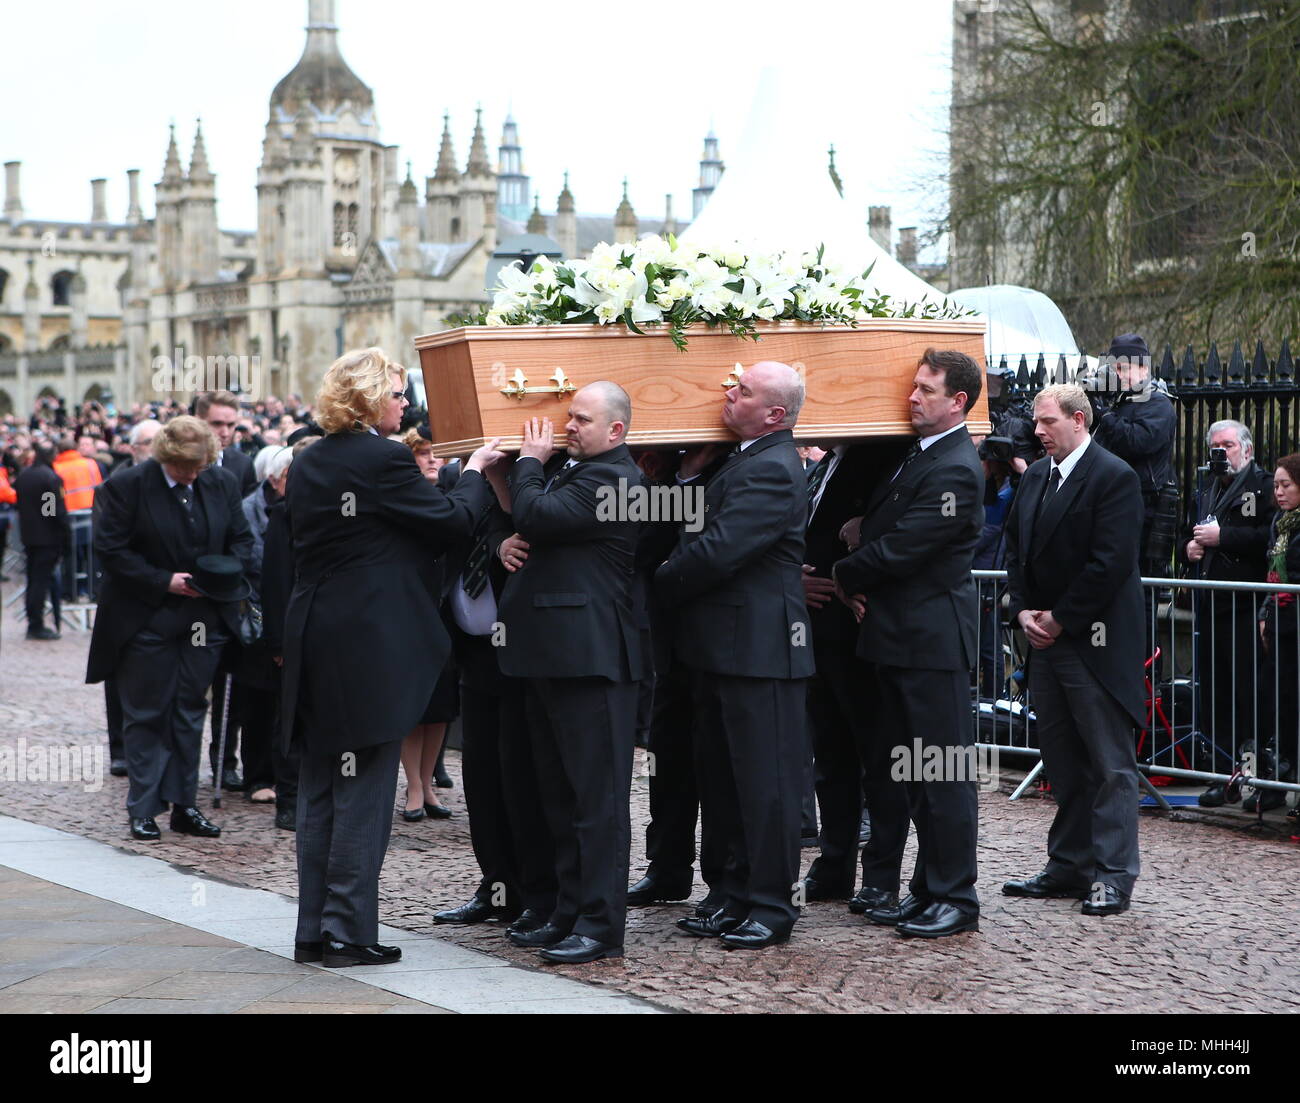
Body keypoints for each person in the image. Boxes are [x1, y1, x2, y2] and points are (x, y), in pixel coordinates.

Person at [280, 348, 499, 969]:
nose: (405, 405)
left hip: (317, 633)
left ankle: (315, 931)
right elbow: (453, 521)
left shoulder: (312, 458)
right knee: (364, 791)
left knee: (323, 787)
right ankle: (350, 932)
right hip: (367, 643)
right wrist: (475, 469)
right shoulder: (381, 457)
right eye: (398, 395)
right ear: (372, 398)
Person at [656, 360, 813, 950]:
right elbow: (700, 524)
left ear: (775, 414)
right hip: (724, 648)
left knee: (763, 785)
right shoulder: (742, 460)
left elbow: (719, 550)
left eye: (742, 390)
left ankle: (772, 905)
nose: (728, 393)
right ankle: (730, 888)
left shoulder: (772, 467)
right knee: (723, 781)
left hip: (761, 650)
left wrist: (660, 577)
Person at [832, 349, 985, 940]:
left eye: (926, 389)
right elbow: (884, 526)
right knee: (912, 773)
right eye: (914, 387)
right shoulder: (917, 457)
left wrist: (846, 573)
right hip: (897, 639)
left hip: (931, 642)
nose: (913, 397)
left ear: (959, 402)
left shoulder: (953, 467)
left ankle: (956, 897)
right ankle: (928, 890)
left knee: (942, 775)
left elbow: (904, 548)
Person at [494, 382, 648, 965]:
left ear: (616, 431)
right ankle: (567, 910)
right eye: (569, 417)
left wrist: (529, 463)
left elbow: (536, 514)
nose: (568, 427)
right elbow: (527, 518)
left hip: (592, 661)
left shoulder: (617, 479)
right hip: (554, 657)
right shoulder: (579, 471)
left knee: (597, 801)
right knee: (559, 796)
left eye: (582, 419)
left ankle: (601, 926)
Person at [1002, 383, 1146, 916]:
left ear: (1079, 419)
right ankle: (1068, 866)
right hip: (1044, 640)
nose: (1037, 432)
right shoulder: (1037, 474)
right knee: (1062, 761)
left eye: (1047, 422)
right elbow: (1015, 548)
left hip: (1095, 645)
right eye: (1037, 423)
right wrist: (1020, 611)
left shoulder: (1114, 476)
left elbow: (1109, 563)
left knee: (1109, 765)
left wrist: (1060, 619)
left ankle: (1112, 876)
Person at [85, 416, 258, 842]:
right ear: (167, 458)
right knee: (146, 713)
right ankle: (143, 807)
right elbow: (111, 550)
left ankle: (185, 805)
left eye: (199, 467)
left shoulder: (219, 484)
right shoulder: (127, 487)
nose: (193, 476)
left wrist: (218, 576)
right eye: (185, 469)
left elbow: (241, 539)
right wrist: (164, 580)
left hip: (204, 618)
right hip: (147, 616)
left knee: (189, 710)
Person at [798, 439, 908, 906]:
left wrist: (844, 576)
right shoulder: (827, 464)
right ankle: (834, 863)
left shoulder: (874, 458)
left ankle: (880, 876)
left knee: (878, 760)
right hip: (820, 631)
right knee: (832, 758)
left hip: (857, 630)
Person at [1184, 421, 1275, 805]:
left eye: (1229, 445)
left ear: (1248, 450)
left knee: (1247, 695)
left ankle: (1259, 775)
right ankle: (1224, 774)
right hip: (1211, 606)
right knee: (1216, 695)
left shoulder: (1264, 486)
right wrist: (1189, 550)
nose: (1221, 452)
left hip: (1246, 606)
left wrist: (1224, 538)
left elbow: (1269, 537)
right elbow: (1186, 535)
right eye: (1215, 445)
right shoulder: (1205, 489)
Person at [197, 390, 257, 792]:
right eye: (217, 424)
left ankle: (225, 759)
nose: (225, 432)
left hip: (230, 591)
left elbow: (246, 530)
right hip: (189, 588)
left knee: (229, 686)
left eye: (231, 425)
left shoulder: (241, 465)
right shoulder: (186, 463)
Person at [397, 428, 457, 822]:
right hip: (409, 609)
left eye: (437, 453)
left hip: (447, 609)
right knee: (413, 704)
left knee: (440, 705)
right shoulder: (403, 499)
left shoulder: (451, 496)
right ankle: (414, 787)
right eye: (424, 454)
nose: (433, 460)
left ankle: (429, 781)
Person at [1090, 333, 1177, 575]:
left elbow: (1138, 442)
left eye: (1123, 368)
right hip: (1110, 499)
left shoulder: (1157, 404)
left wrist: (1105, 416)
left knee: (1141, 581)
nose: (1117, 375)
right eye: (1113, 368)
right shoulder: (1117, 402)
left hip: (1145, 504)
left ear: (1143, 368)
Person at [1254, 453, 1300, 814]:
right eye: (1275, 487)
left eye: (1286, 485)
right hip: (1281, 626)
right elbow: (1271, 574)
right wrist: (1266, 614)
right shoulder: (1280, 524)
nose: (1279, 493)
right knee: (1274, 704)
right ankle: (1272, 783)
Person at [15, 443, 69, 640]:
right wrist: (65, 533)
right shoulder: (48, 477)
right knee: (40, 581)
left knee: (33, 580)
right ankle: (36, 623)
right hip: (46, 537)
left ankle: (33, 619)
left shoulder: (25, 476)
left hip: (29, 535)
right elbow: (52, 511)